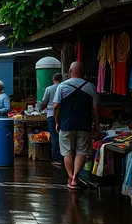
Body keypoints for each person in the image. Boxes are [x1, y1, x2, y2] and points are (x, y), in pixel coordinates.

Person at [53, 62, 99, 191]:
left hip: (66, 124)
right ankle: (75, 177)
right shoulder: (90, 87)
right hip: (85, 125)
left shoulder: (62, 86)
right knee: (81, 152)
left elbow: (56, 106)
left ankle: (70, 178)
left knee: (67, 152)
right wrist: (97, 125)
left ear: (70, 70)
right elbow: (95, 109)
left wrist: (57, 121)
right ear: (82, 72)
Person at [38, 73, 64, 166]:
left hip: (51, 114)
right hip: (63, 115)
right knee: (63, 135)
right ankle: (65, 156)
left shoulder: (49, 89)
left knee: (54, 135)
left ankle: (57, 158)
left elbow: (44, 101)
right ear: (61, 79)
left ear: (53, 79)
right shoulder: (64, 87)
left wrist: (41, 108)